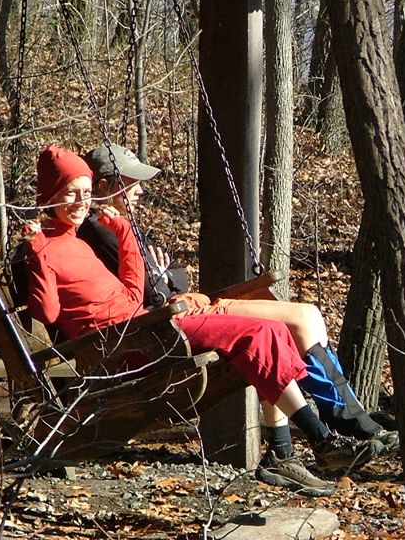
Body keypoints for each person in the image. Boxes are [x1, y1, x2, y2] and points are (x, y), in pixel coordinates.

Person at [24, 145, 375, 496]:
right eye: (72, 193)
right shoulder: (46, 247)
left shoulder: (77, 243)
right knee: (257, 334)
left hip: (144, 326)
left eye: (85, 194)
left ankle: (293, 449)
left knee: (273, 330)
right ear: (51, 195)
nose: (82, 203)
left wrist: (125, 233)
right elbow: (47, 314)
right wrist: (38, 254)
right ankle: (320, 441)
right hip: (130, 345)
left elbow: (131, 297)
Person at [80, 143, 399, 453]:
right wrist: (164, 277)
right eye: (131, 182)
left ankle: (342, 418)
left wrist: (165, 276)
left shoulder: (120, 225)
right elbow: (153, 290)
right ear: (105, 185)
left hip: (190, 305)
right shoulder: (103, 231)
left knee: (308, 316)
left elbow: (177, 275)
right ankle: (340, 423)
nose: (140, 190)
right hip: (171, 322)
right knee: (293, 324)